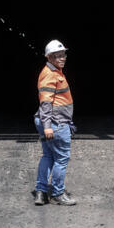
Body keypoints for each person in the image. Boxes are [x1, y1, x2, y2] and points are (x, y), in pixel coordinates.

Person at [32, 40, 76, 206]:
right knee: (61, 158)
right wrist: (48, 126)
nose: (61, 58)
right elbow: (45, 102)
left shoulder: (55, 72)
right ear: (48, 57)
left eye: (63, 54)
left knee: (48, 155)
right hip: (55, 123)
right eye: (57, 56)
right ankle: (58, 192)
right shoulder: (50, 74)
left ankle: (41, 192)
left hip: (50, 122)